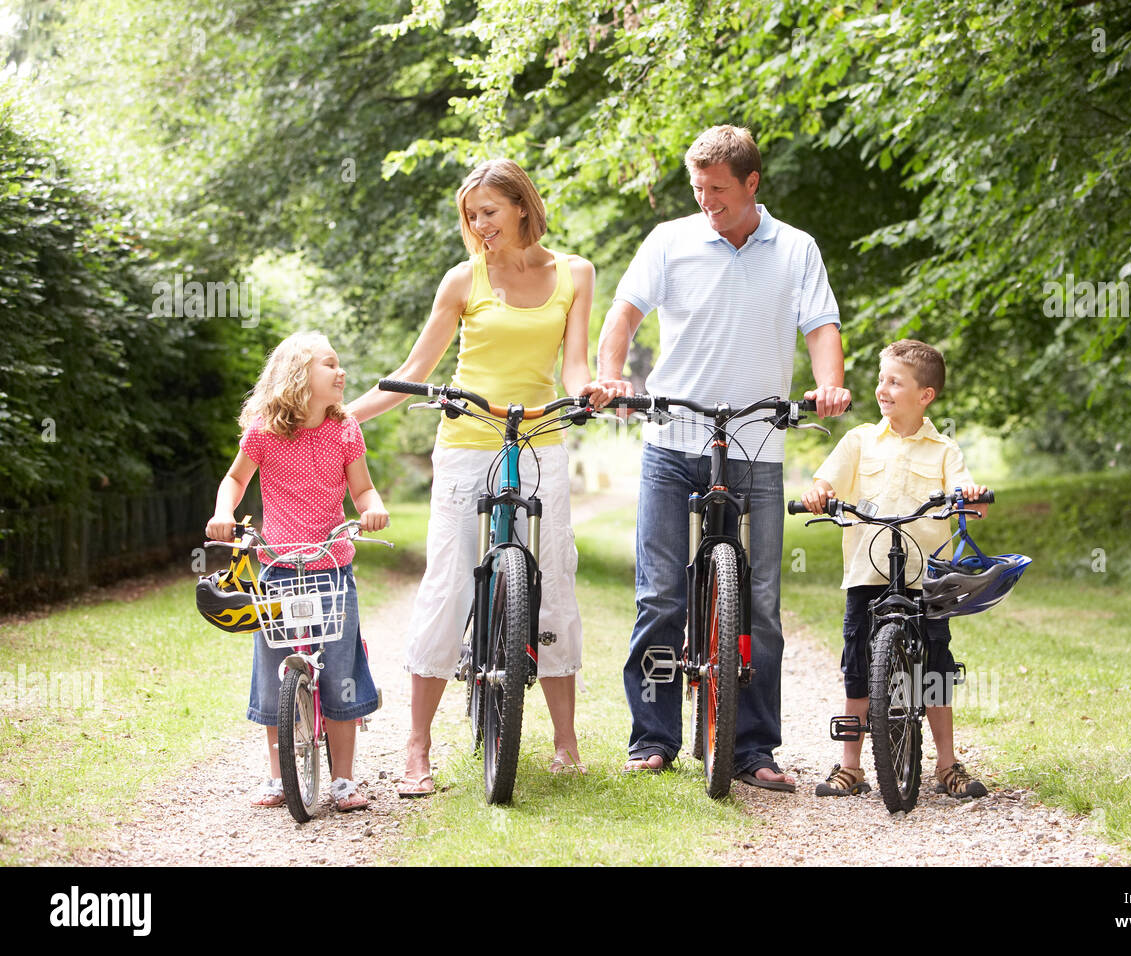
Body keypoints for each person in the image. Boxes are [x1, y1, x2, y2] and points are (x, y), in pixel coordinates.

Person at [348, 158, 615, 795]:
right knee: (447, 581)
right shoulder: (464, 279)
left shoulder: (574, 273)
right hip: (468, 439)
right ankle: (417, 748)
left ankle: (566, 742)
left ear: (522, 206)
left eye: (488, 212)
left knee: (554, 576)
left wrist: (592, 390)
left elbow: (574, 367)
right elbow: (414, 366)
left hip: (541, 437)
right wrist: (330, 421)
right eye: (471, 216)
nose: (478, 225)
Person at [598, 125, 852, 790]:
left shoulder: (795, 248)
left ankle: (753, 748)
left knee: (761, 604)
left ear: (751, 184)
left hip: (756, 443)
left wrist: (829, 385)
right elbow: (622, 317)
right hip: (671, 441)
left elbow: (822, 326)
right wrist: (615, 376)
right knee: (659, 596)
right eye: (697, 188)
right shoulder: (670, 242)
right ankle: (652, 737)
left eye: (717, 189)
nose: (705, 200)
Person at [206, 331, 390, 812]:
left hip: (330, 568)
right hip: (278, 568)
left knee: (340, 670)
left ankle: (344, 780)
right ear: (298, 377)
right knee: (272, 671)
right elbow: (235, 478)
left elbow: (364, 491)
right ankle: (277, 777)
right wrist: (224, 511)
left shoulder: (345, 429)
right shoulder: (265, 431)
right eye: (329, 365)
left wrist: (374, 508)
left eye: (339, 364)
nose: (341, 372)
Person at [799, 338, 991, 798]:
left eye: (894, 381)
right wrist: (818, 493)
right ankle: (851, 765)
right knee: (858, 669)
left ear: (925, 395)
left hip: (927, 577)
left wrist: (971, 496)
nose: (882, 389)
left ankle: (947, 764)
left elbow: (962, 487)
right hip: (868, 576)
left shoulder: (944, 449)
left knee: (937, 667)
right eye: (881, 379)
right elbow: (826, 478)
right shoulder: (859, 440)